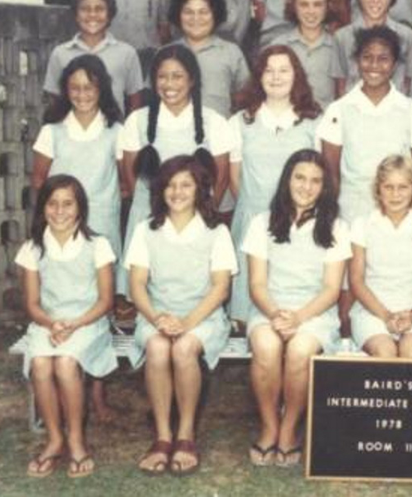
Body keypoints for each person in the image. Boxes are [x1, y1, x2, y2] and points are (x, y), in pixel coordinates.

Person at [31, 54, 125, 423]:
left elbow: (125, 180)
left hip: (101, 224)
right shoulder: (51, 130)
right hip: (60, 224)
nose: (82, 94)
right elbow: (39, 180)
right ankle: (63, 393)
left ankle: (97, 395)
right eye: (74, 88)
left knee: (100, 305)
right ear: (64, 91)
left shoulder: (115, 130)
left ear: (101, 89)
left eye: (89, 87)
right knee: (65, 296)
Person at [127, 156, 236, 476]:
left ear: (201, 189)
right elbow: (136, 286)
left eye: (186, 184)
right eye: (170, 185)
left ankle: (186, 433)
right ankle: (162, 436)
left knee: (184, 347)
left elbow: (220, 290)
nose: (177, 191)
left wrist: (187, 323)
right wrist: (158, 318)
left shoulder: (216, 232)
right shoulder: (145, 230)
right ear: (160, 190)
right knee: (159, 347)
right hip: (156, 313)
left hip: (203, 317)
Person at [243, 149, 351, 466]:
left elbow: (332, 289)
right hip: (269, 308)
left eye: (316, 181)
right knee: (265, 345)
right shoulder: (261, 223)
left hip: (315, 313)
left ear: (325, 187)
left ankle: (289, 429)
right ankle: (269, 426)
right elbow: (257, 285)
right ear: (287, 180)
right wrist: (276, 315)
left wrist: (299, 317)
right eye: (300, 178)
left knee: (302, 350)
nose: (306, 186)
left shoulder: (337, 227)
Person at [320, 26, 412, 332]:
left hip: (397, 213)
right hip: (352, 211)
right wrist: (333, 217)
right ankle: (344, 344)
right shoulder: (339, 110)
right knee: (349, 285)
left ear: (395, 63)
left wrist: (408, 211)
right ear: (356, 60)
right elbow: (331, 170)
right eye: (367, 58)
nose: (375, 65)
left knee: (390, 281)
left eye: (383, 59)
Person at [16, 175, 117, 479]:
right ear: (43, 208)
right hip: (47, 322)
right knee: (41, 364)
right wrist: (51, 323)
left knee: (66, 362)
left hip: (88, 322)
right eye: (52, 203)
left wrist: (74, 323)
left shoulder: (97, 245)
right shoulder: (32, 249)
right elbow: (32, 303)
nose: (60, 211)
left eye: (68, 204)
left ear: (80, 208)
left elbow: (105, 300)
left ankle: (75, 439)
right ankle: (54, 438)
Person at [118, 45, 235, 299]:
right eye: (162, 76)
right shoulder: (136, 121)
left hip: (194, 221)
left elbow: (221, 178)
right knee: (147, 296)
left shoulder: (214, 121)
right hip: (147, 218)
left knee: (192, 294)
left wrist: (200, 216)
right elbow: (130, 177)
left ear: (192, 79)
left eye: (177, 76)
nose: (169, 84)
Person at [228, 46, 323, 326]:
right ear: (258, 77)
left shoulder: (314, 121)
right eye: (268, 70)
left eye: (284, 70)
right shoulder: (240, 121)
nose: (276, 77)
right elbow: (236, 178)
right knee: (252, 316)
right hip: (253, 218)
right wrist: (256, 212)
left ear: (297, 76)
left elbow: (319, 174)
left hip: (300, 222)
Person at [349, 155, 412, 357]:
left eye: (403, 187)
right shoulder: (362, 225)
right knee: (385, 352)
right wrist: (385, 316)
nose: (395, 194)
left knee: (411, 353)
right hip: (372, 313)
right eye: (388, 187)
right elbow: (356, 281)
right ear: (378, 189)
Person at [43, 0, 145, 114]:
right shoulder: (60, 53)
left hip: (113, 130)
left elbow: (135, 100)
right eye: (85, 9)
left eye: (99, 9)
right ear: (75, 14)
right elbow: (54, 99)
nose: (92, 15)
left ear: (109, 14)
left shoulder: (127, 53)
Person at [169, 0, 251, 117]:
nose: (196, 19)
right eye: (188, 12)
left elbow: (244, 98)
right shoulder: (167, 53)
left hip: (220, 135)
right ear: (177, 14)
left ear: (215, 14)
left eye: (204, 12)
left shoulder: (231, 52)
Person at [334, 0, 412, 95]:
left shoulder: (407, 36)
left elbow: (408, 83)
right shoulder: (342, 37)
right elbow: (340, 85)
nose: (375, 0)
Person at [269, 0, 345, 106]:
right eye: (304, 4)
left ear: (328, 6)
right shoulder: (279, 45)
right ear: (293, 6)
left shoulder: (338, 46)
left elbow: (341, 94)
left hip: (325, 122)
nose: (311, 11)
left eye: (318, 4)